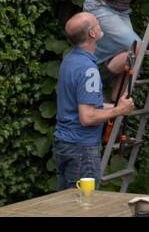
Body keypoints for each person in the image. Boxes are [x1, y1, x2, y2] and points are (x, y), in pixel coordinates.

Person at [53, 12, 134, 191]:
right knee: (83, 206)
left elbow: (83, 105)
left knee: (66, 204)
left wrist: (115, 106)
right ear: (92, 34)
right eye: (97, 23)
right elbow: (87, 117)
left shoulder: (70, 60)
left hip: (64, 145)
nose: (100, 24)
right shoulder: (88, 69)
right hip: (81, 149)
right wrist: (119, 111)